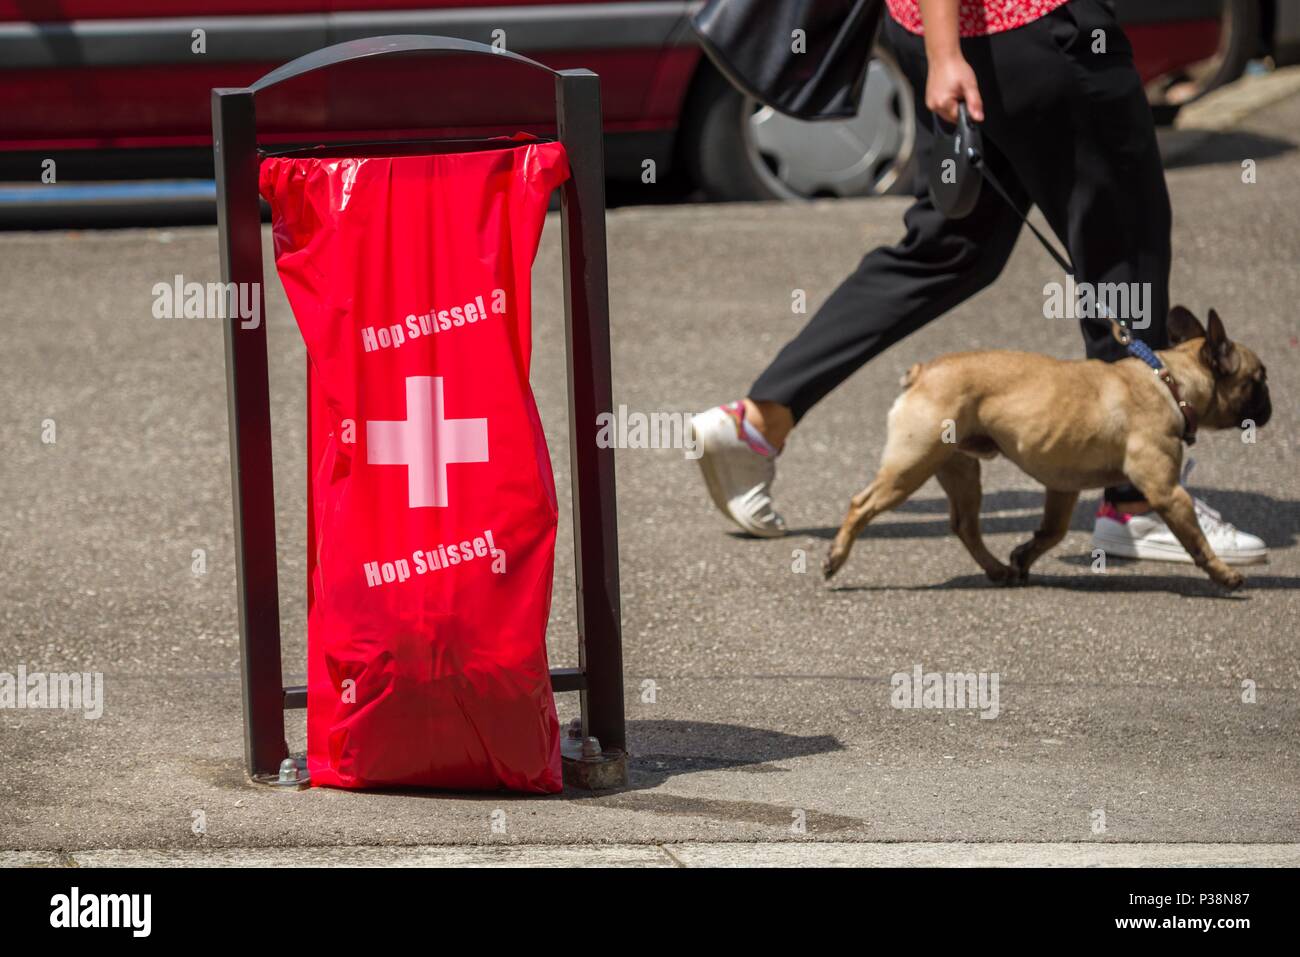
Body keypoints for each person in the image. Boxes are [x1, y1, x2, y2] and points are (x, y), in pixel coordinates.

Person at [691, 0, 1266, 565]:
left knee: (948, 249)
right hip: (1032, 33)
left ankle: (759, 421)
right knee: (1125, 246)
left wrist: (942, 49)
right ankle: (1138, 499)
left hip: (953, 38)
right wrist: (946, 54)